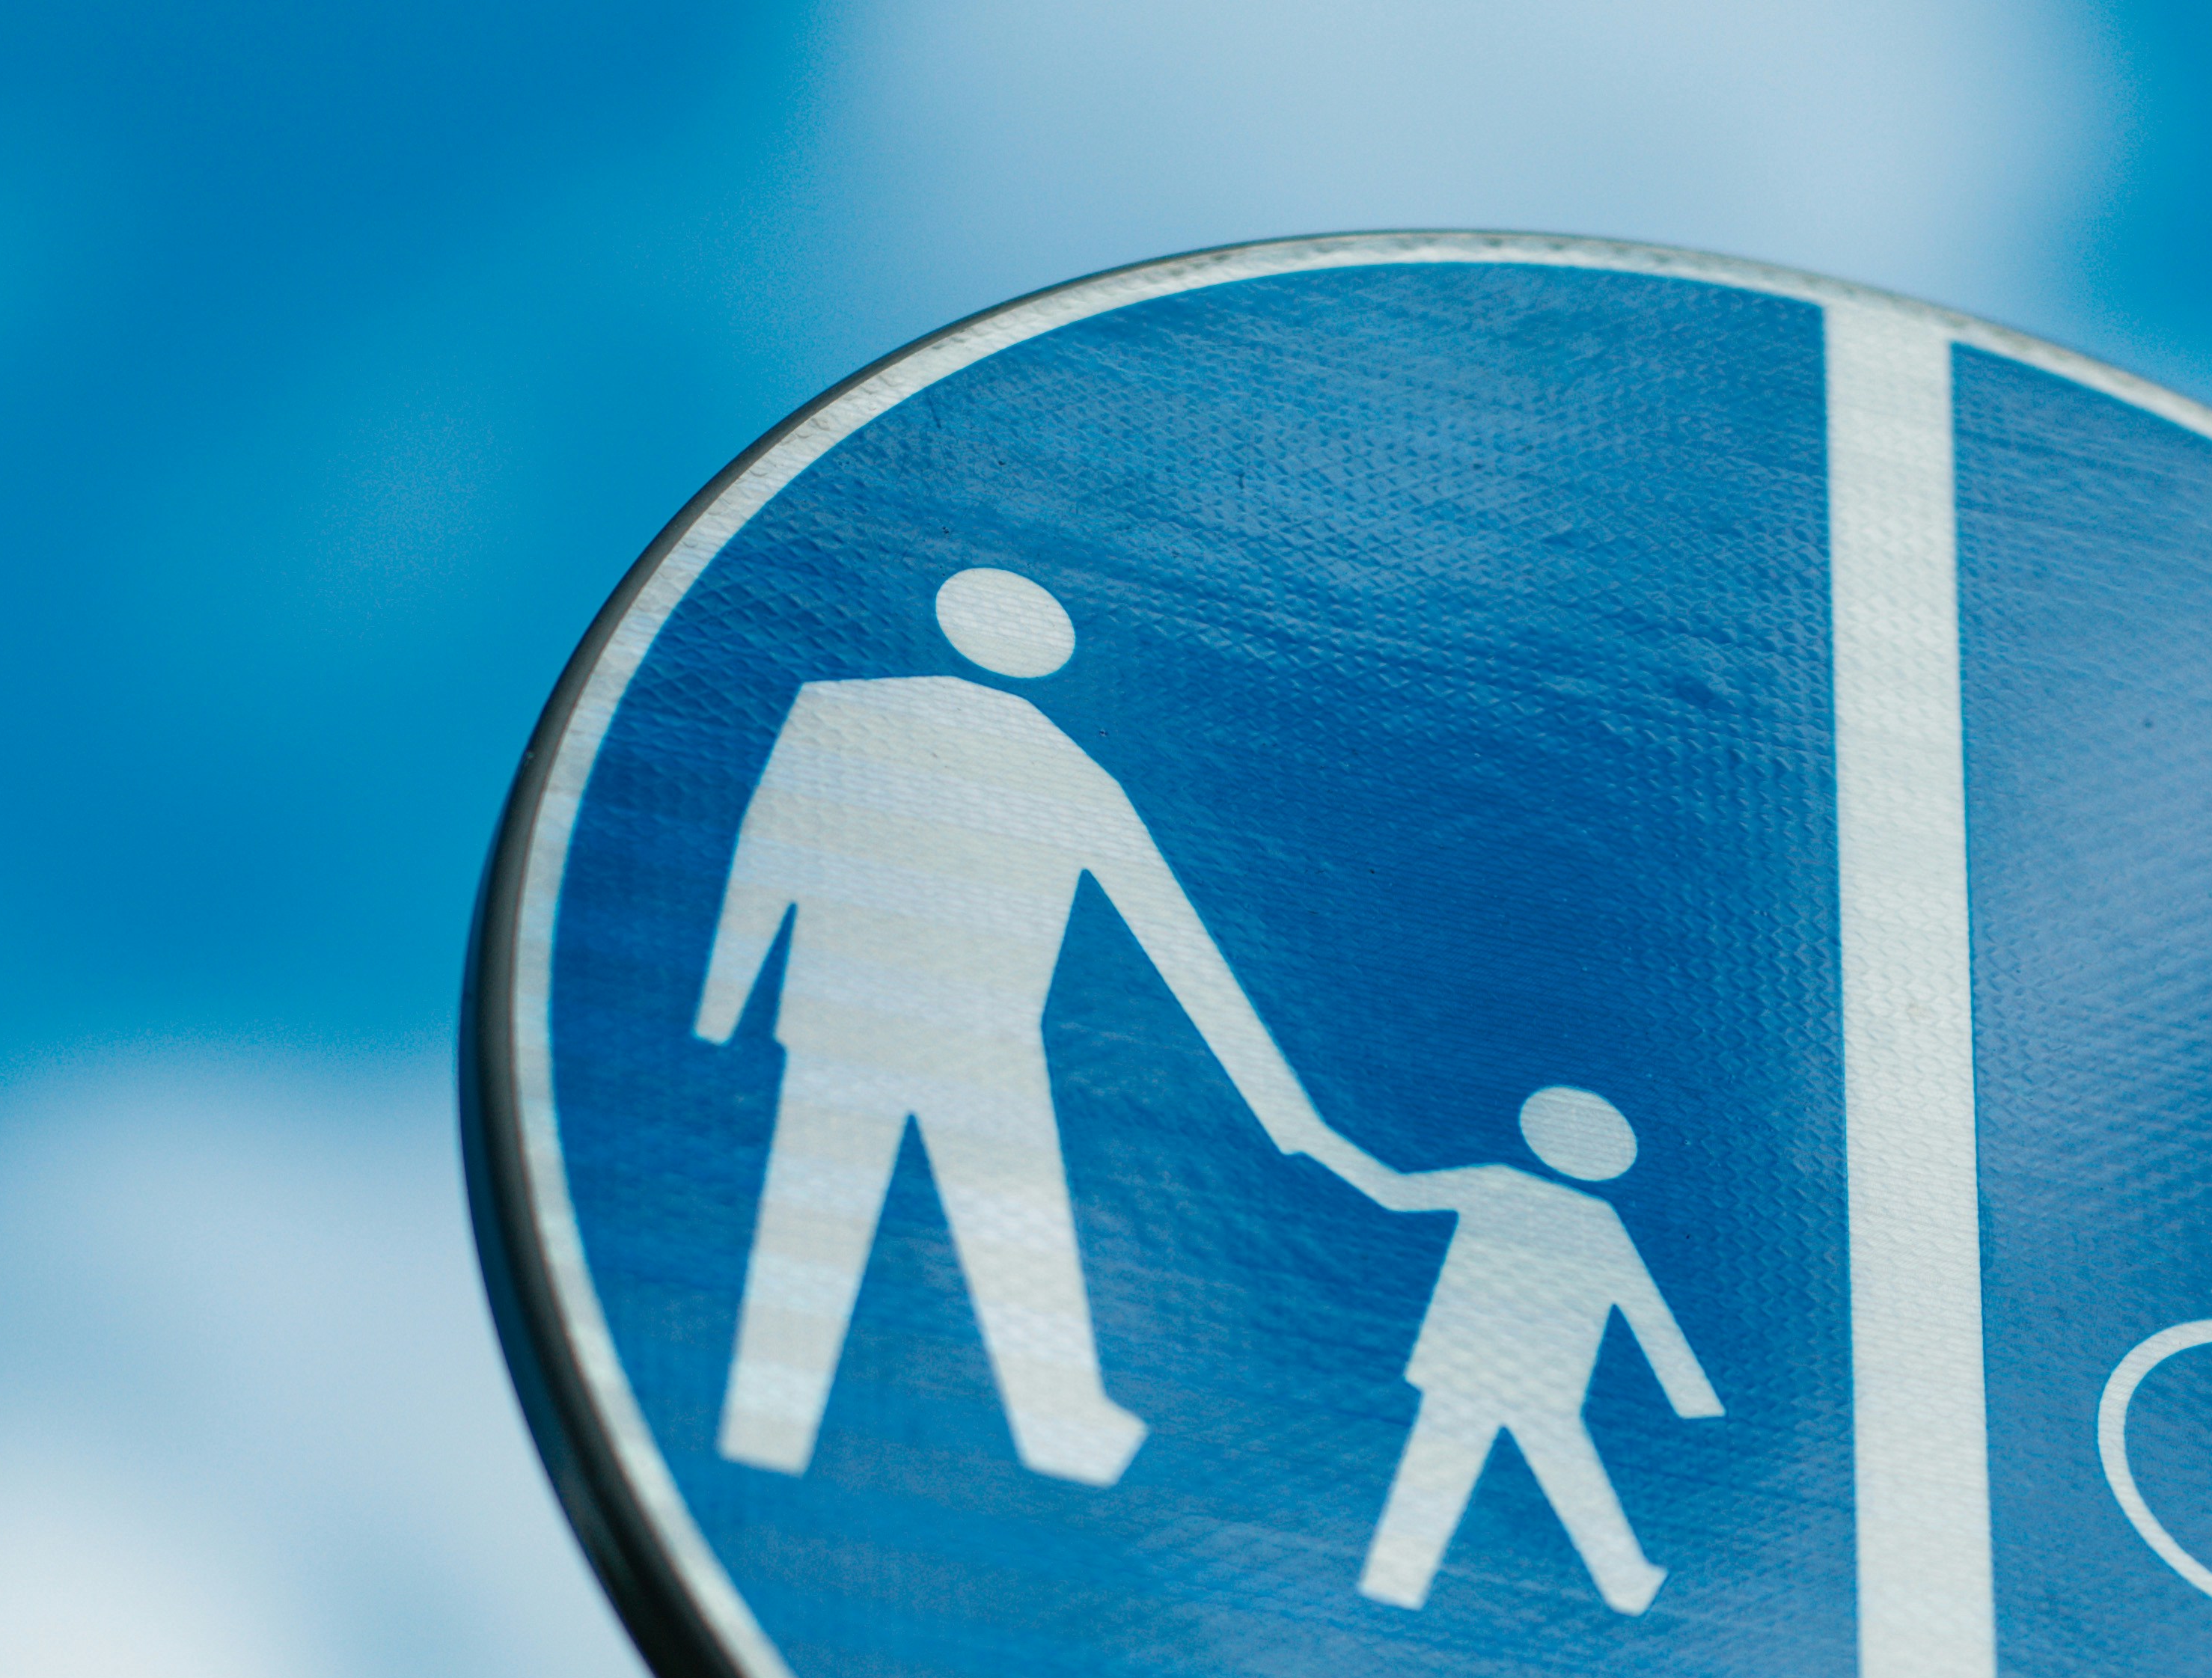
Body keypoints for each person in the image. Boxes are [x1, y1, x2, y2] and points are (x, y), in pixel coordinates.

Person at [690, 563, 1369, 1482]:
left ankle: (780, 1411)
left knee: (838, 1211)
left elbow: (765, 855)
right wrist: (1286, 1114)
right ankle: (1053, 1426)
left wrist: (722, 1001)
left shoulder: (846, 709)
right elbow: (1186, 955)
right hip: (970, 1036)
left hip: (858, 1019)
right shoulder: (1068, 770)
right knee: (1006, 1221)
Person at [1350, 1088, 1722, 1615]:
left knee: (1444, 1468)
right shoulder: (1597, 1221)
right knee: (1567, 1476)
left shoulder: (1498, 1185)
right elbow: (1648, 1315)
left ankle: (1397, 1575)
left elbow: (1390, 1189)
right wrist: (1692, 1398)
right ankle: (1625, 1581)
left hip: (1468, 1362)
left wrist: (1323, 1145)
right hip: (1543, 1378)